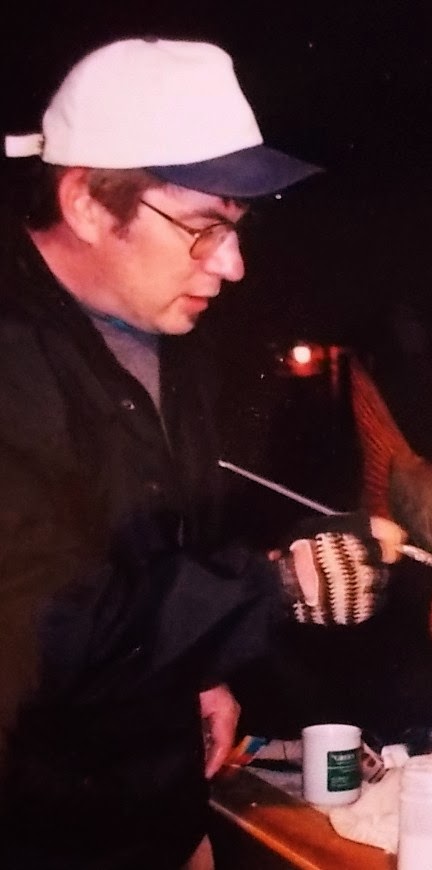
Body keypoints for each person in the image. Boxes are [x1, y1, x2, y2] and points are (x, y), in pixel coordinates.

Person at [0, 37, 406, 868]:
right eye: (202, 227)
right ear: (86, 204)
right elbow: (41, 627)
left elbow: (150, 552)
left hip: (162, 804)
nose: (233, 265)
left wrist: (198, 671)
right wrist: (274, 587)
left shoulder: (162, 339)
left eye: (237, 228)